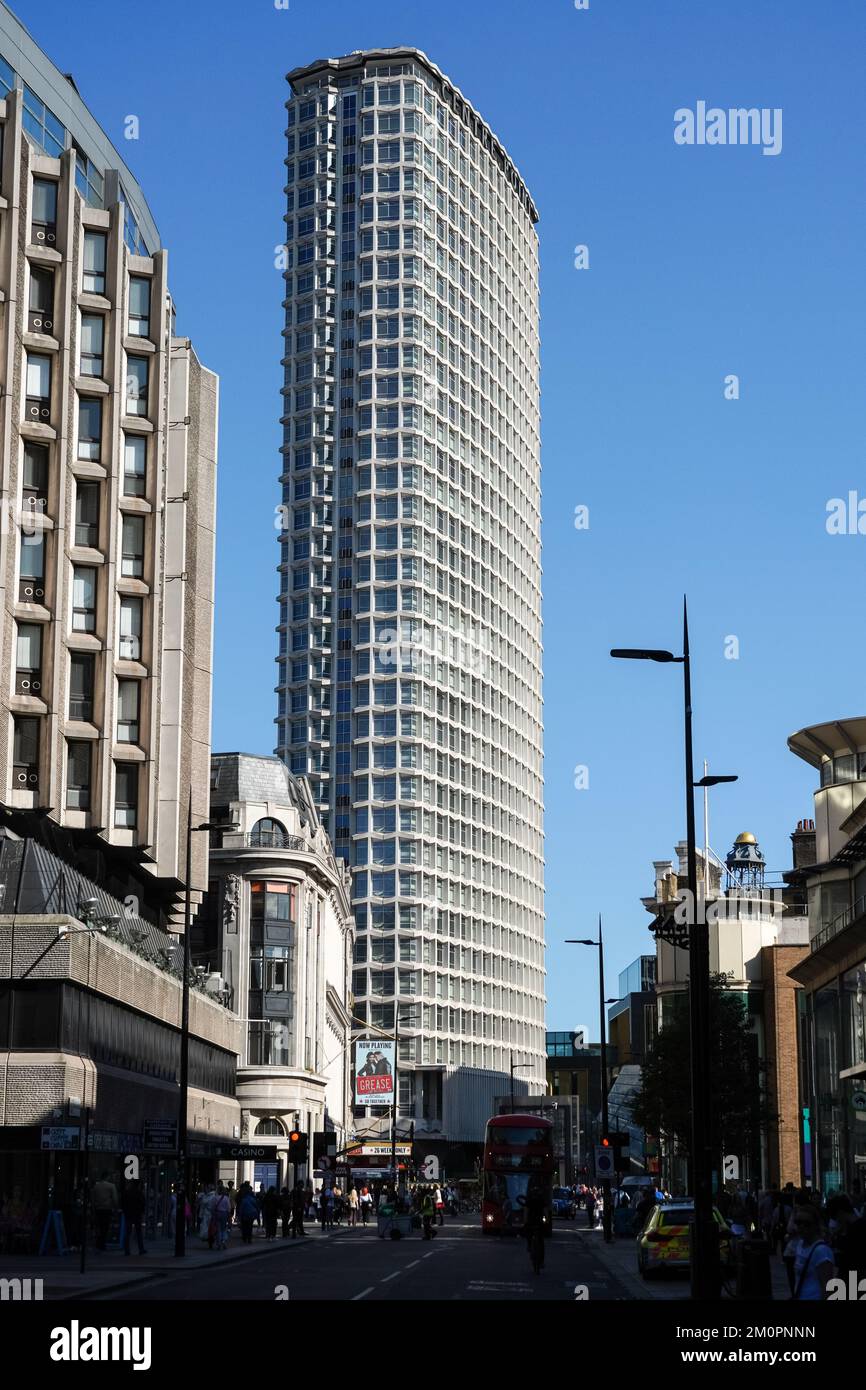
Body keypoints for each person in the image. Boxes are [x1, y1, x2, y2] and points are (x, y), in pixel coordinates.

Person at [790, 1205, 834, 1301]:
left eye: (807, 1223)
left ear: (815, 1225)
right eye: (798, 1222)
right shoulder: (800, 1244)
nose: (801, 1226)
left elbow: (827, 1287)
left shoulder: (822, 1251)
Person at [91, 1171, 118, 1251]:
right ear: (107, 1177)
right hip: (107, 1209)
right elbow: (115, 1199)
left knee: (99, 1226)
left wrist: (93, 1209)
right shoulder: (111, 1186)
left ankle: (99, 1242)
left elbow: (92, 1199)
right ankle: (102, 1243)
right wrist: (115, 1208)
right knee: (105, 1227)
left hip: (98, 1209)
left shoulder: (96, 1187)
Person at [121, 1179, 147, 1256]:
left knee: (127, 1232)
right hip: (137, 1214)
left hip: (128, 1214)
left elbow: (122, 1202)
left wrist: (125, 1210)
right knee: (138, 1232)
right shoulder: (139, 1193)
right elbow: (143, 1203)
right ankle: (141, 1249)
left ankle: (127, 1250)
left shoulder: (127, 1192)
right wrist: (142, 1211)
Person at [212, 1184, 230, 1251]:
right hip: (224, 1214)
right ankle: (224, 1241)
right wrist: (229, 1216)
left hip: (217, 1214)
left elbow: (213, 1207)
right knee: (224, 1229)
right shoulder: (226, 1198)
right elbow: (228, 1208)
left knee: (218, 1229)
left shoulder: (215, 1198)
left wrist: (213, 1214)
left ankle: (219, 1243)